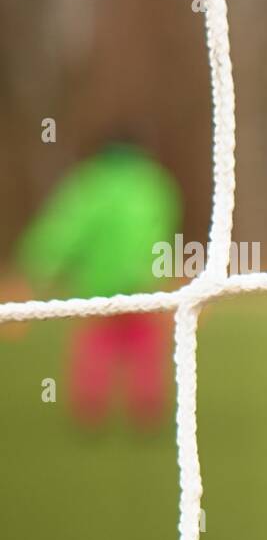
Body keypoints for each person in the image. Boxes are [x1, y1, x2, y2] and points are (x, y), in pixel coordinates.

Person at [14, 138, 180, 429]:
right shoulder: (153, 183)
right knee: (144, 347)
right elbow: (162, 234)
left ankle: (91, 409)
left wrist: (36, 270)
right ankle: (146, 409)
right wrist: (161, 277)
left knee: (97, 346)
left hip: (97, 287)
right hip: (142, 287)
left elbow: (63, 231)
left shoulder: (88, 185)